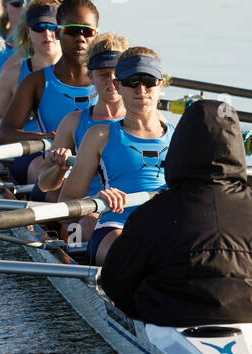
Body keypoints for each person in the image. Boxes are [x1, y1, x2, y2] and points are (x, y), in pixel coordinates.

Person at [98, 99, 252, 326]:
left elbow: (115, 286)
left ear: (179, 148)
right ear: (237, 149)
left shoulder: (152, 214)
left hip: (169, 317)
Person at [58, 46, 170, 265]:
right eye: (132, 81)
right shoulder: (100, 135)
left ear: (160, 85)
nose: (141, 89)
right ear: (118, 86)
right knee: (139, 261)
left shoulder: (180, 135)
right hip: (115, 227)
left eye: (148, 80)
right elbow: (65, 207)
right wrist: (95, 201)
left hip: (164, 227)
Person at [0, 0, 100, 188]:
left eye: (87, 32)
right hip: (53, 177)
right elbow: (5, 134)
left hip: (101, 177)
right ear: (59, 33)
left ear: (96, 34)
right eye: (72, 31)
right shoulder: (35, 82)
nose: (80, 38)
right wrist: (44, 138)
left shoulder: (110, 81)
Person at [34, 33, 128, 235]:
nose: (112, 81)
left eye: (117, 74)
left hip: (130, 207)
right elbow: (44, 183)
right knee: (89, 223)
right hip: (84, 215)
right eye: (103, 74)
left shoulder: (148, 123)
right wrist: (59, 167)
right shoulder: (73, 122)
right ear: (90, 77)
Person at [0, 0, 62, 145]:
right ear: (28, 32)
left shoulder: (86, 74)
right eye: (39, 27)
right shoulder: (13, 74)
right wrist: (18, 117)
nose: (47, 33)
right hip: (29, 151)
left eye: (53, 26)